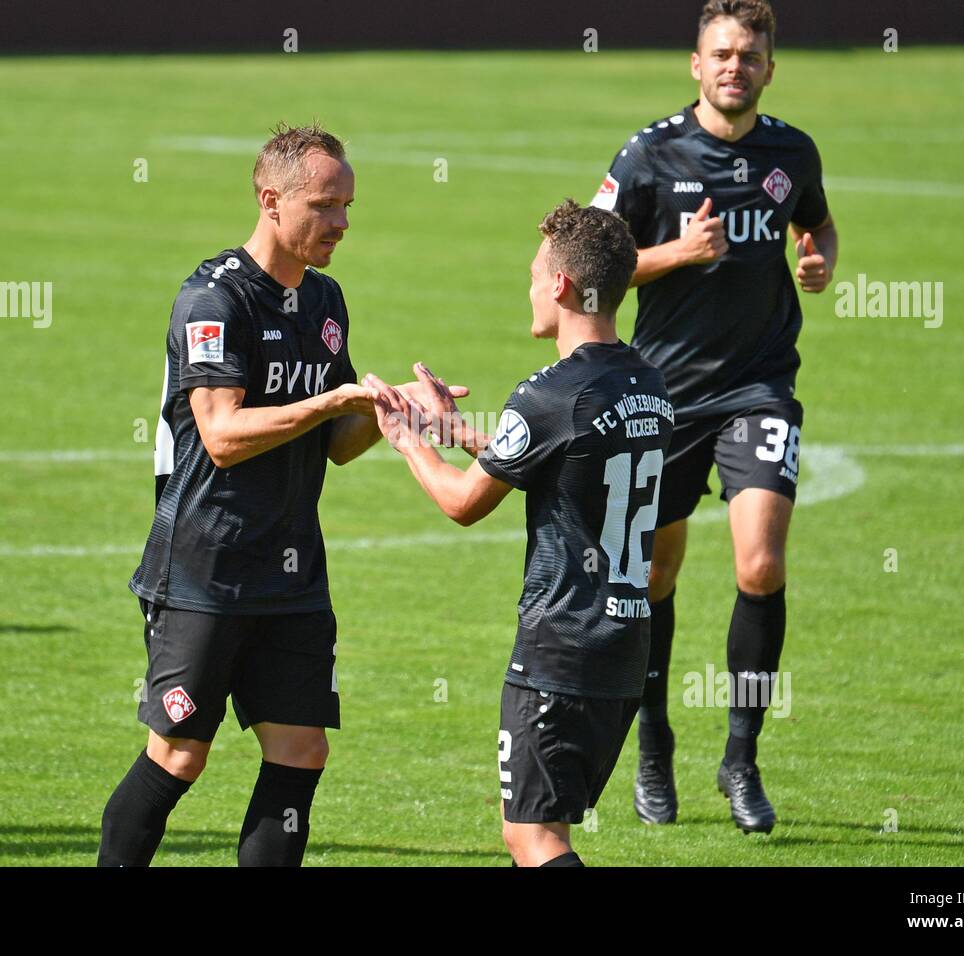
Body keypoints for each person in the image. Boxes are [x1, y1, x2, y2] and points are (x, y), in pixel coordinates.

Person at [98, 123, 463, 867]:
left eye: (348, 206)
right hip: (205, 568)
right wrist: (333, 403)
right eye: (325, 206)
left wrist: (390, 416)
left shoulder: (325, 303)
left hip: (292, 575)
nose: (342, 223)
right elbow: (223, 435)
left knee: (301, 751)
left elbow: (335, 446)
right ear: (271, 200)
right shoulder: (212, 299)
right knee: (178, 758)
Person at [589, 0, 838, 833]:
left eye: (750, 55)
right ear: (696, 65)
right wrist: (675, 254)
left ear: (770, 68)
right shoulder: (648, 154)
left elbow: (817, 221)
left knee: (760, 567)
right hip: (661, 395)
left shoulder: (790, 152)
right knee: (655, 576)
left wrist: (818, 258)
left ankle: (741, 759)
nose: (735, 66)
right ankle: (653, 746)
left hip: (760, 386)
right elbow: (585, 274)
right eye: (721, 53)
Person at [370, 199, 671, 866]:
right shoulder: (647, 380)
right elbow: (570, 466)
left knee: (532, 837)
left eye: (536, 274)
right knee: (545, 831)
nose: (530, 287)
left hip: (561, 646)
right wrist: (466, 434)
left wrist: (410, 441)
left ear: (561, 285)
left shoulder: (548, 393)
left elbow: (462, 503)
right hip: (625, 644)